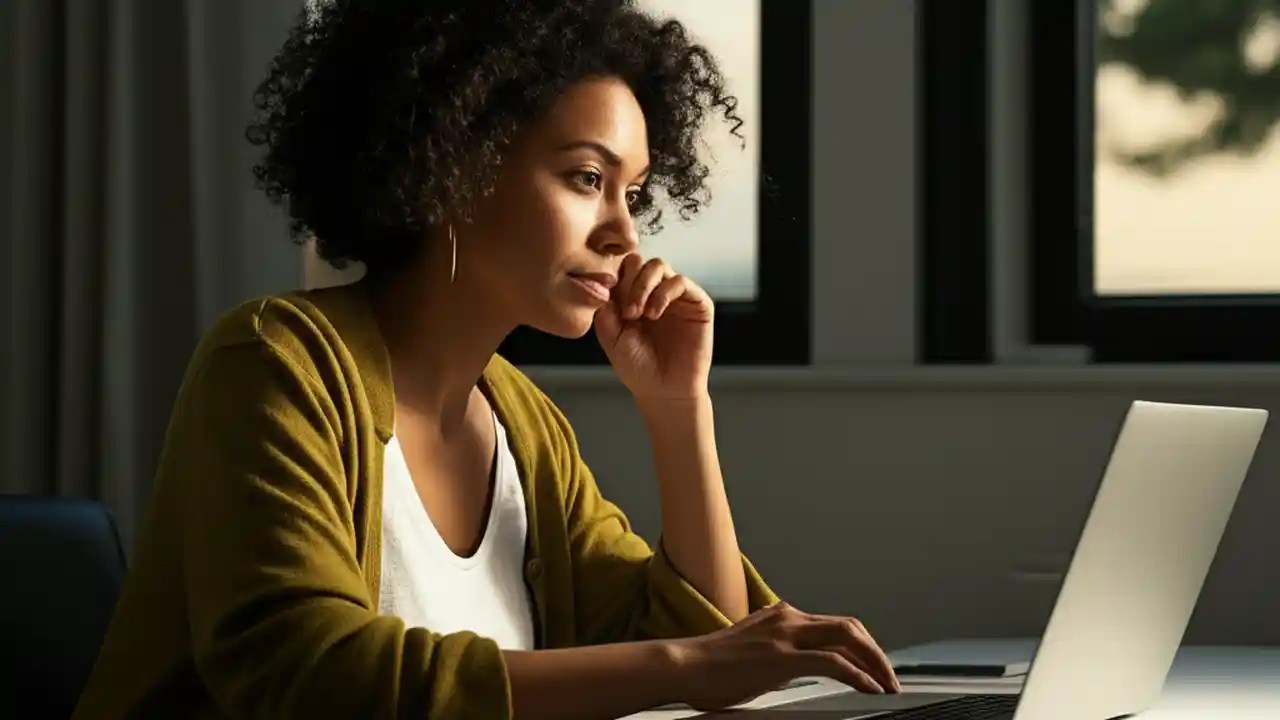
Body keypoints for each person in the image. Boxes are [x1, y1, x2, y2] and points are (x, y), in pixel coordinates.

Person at [73, 1, 899, 717]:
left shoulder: (522, 424)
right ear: (456, 164)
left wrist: (679, 410)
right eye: (586, 178)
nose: (625, 233)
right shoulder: (274, 365)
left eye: (634, 193)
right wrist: (693, 664)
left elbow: (712, 654)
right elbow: (306, 675)